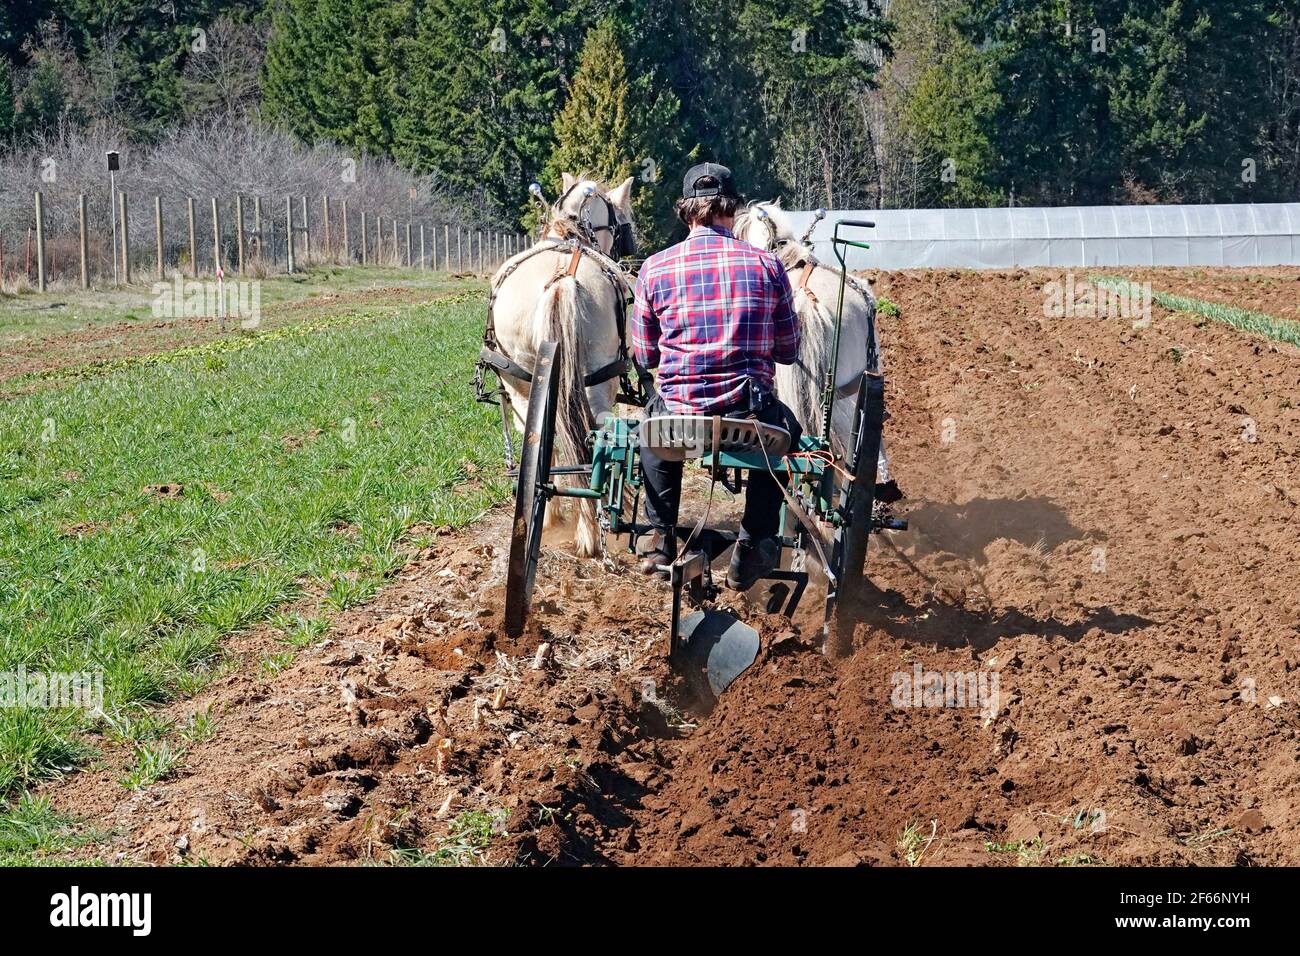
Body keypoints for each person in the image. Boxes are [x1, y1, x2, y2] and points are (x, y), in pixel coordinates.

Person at [631, 162, 803, 591]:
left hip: (679, 421)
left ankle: (660, 538)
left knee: (652, 429)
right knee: (787, 432)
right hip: (749, 416)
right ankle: (753, 542)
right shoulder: (768, 266)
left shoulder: (654, 268)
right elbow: (789, 350)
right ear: (733, 210)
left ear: (686, 211)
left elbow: (645, 354)